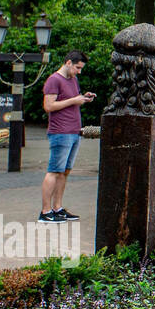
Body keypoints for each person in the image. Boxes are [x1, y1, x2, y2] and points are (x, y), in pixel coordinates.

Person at [40, 51, 94, 223]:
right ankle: (45, 211)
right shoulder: (54, 80)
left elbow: (72, 99)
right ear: (69, 62)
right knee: (54, 170)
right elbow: (48, 106)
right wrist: (74, 101)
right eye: (78, 68)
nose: (79, 72)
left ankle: (58, 208)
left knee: (65, 172)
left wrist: (83, 98)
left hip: (74, 131)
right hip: (60, 132)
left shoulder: (73, 79)